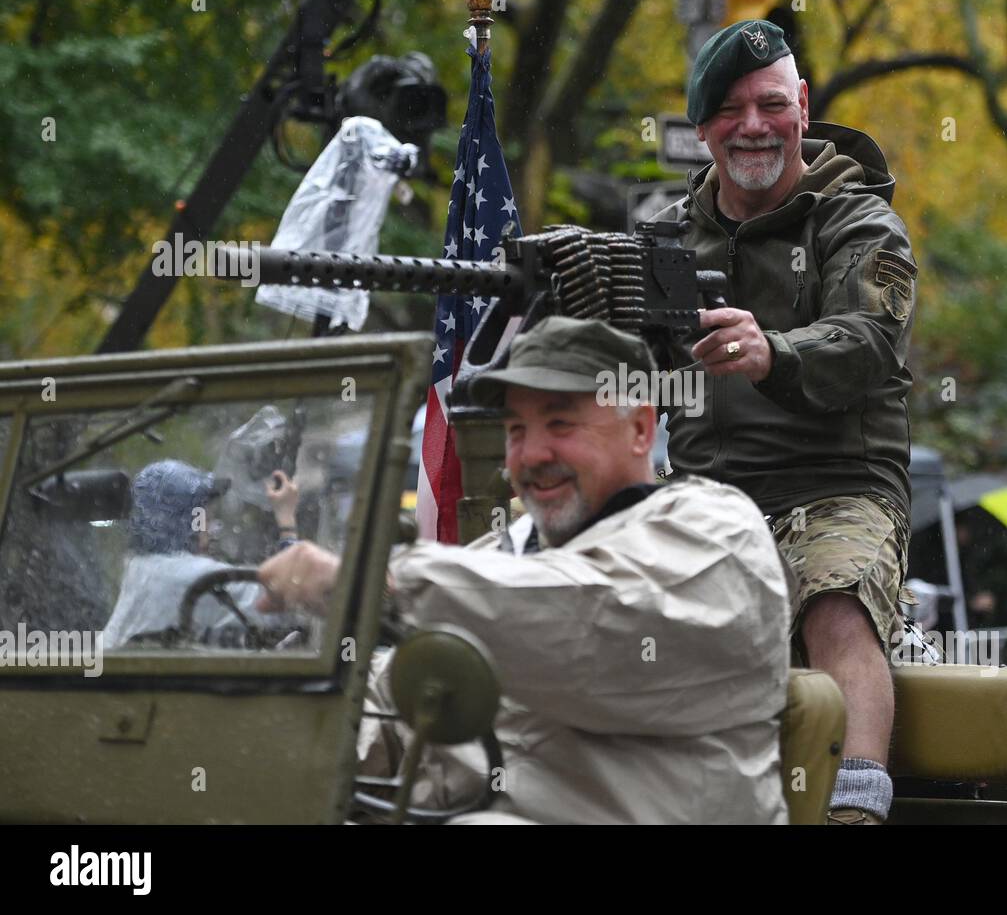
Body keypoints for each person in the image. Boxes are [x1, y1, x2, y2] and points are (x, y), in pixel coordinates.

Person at [258, 317, 792, 824]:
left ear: (639, 429)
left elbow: (585, 623)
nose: (531, 455)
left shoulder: (716, 532)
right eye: (515, 430)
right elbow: (403, 691)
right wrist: (283, 730)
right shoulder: (505, 555)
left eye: (560, 423)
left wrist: (379, 581)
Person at [653, 19, 918, 823]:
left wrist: (772, 351)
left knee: (832, 597)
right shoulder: (665, 239)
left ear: (803, 106)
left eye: (772, 104)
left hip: (837, 485)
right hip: (703, 497)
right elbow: (614, 365)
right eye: (730, 111)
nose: (755, 126)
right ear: (702, 130)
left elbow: (870, 337)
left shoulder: (857, 221)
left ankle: (853, 805)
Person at [103, 460, 302, 649]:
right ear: (189, 517)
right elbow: (288, 599)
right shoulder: (188, 575)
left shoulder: (139, 566)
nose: (211, 523)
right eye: (205, 512)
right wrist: (286, 518)